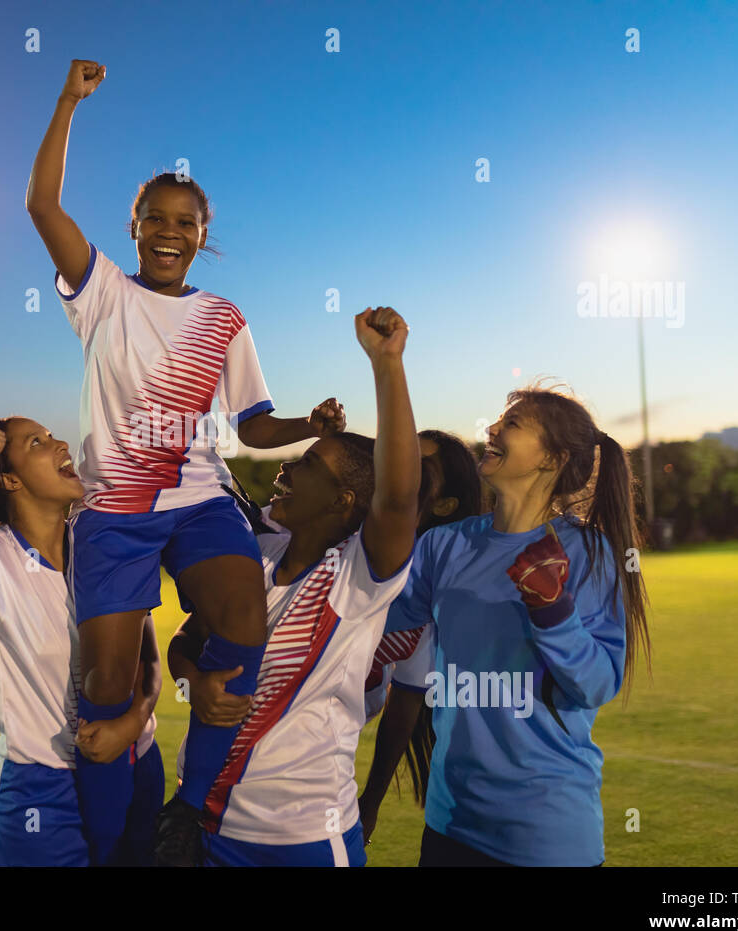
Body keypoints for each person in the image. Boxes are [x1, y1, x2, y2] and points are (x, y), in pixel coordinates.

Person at [26, 58, 344, 864]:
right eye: (156, 218)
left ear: (204, 236)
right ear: (134, 226)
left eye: (186, 222)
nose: (170, 232)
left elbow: (254, 427)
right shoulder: (102, 293)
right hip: (116, 513)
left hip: (202, 496)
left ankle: (191, 810)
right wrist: (68, 101)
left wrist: (311, 423)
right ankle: (109, 848)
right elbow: (41, 204)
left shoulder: (224, 316)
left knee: (243, 619)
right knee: (102, 695)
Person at [168, 306, 421, 866]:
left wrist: (387, 366)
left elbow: (400, 496)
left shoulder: (358, 578)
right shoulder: (252, 554)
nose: (283, 471)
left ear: (343, 501)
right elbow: (184, 643)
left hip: (300, 838)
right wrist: (196, 683)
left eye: (305, 466)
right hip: (202, 820)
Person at [385, 384, 651, 866]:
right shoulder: (443, 546)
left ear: (552, 457)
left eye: (511, 423)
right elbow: (372, 623)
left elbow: (595, 686)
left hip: (545, 834)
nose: (491, 429)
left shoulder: (588, 553)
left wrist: (554, 612)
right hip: (450, 825)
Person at [0, 418, 162, 866]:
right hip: (41, 786)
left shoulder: (106, 540)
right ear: (10, 478)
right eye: (37, 443)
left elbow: (147, 656)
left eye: (51, 436)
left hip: (135, 760)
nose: (60, 444)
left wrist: (135, 719)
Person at [357, 429, 483, 844]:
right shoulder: (336, 534)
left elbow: (406, 701)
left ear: (446, 505)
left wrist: (370, 801)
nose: (400, 466)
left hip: (317, 752)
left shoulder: (428, 592)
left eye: (421, 466)